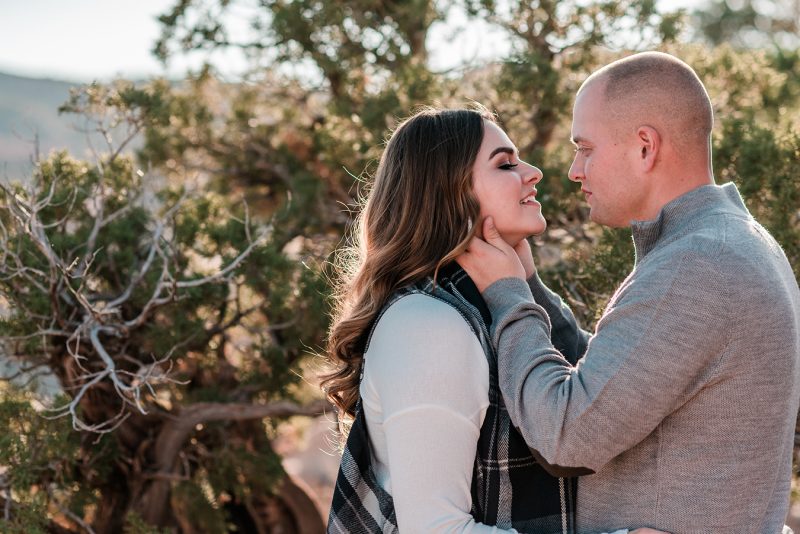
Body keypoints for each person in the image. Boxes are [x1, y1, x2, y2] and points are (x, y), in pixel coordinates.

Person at [457, 51, 800, 534]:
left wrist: (508, 298)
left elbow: (565, 434)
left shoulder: (696, 265)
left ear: (645, 147)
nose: (575, 170)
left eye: (586, 148)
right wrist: (531, 287)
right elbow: (611, 384)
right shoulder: (736, 242)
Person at [323, 107, 662, 534]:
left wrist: (525, 284)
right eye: (505, 164)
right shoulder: (427, 326)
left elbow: (586, 393)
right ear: (449, 194)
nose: (534, 172)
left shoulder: (484, 304)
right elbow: (435, 530)